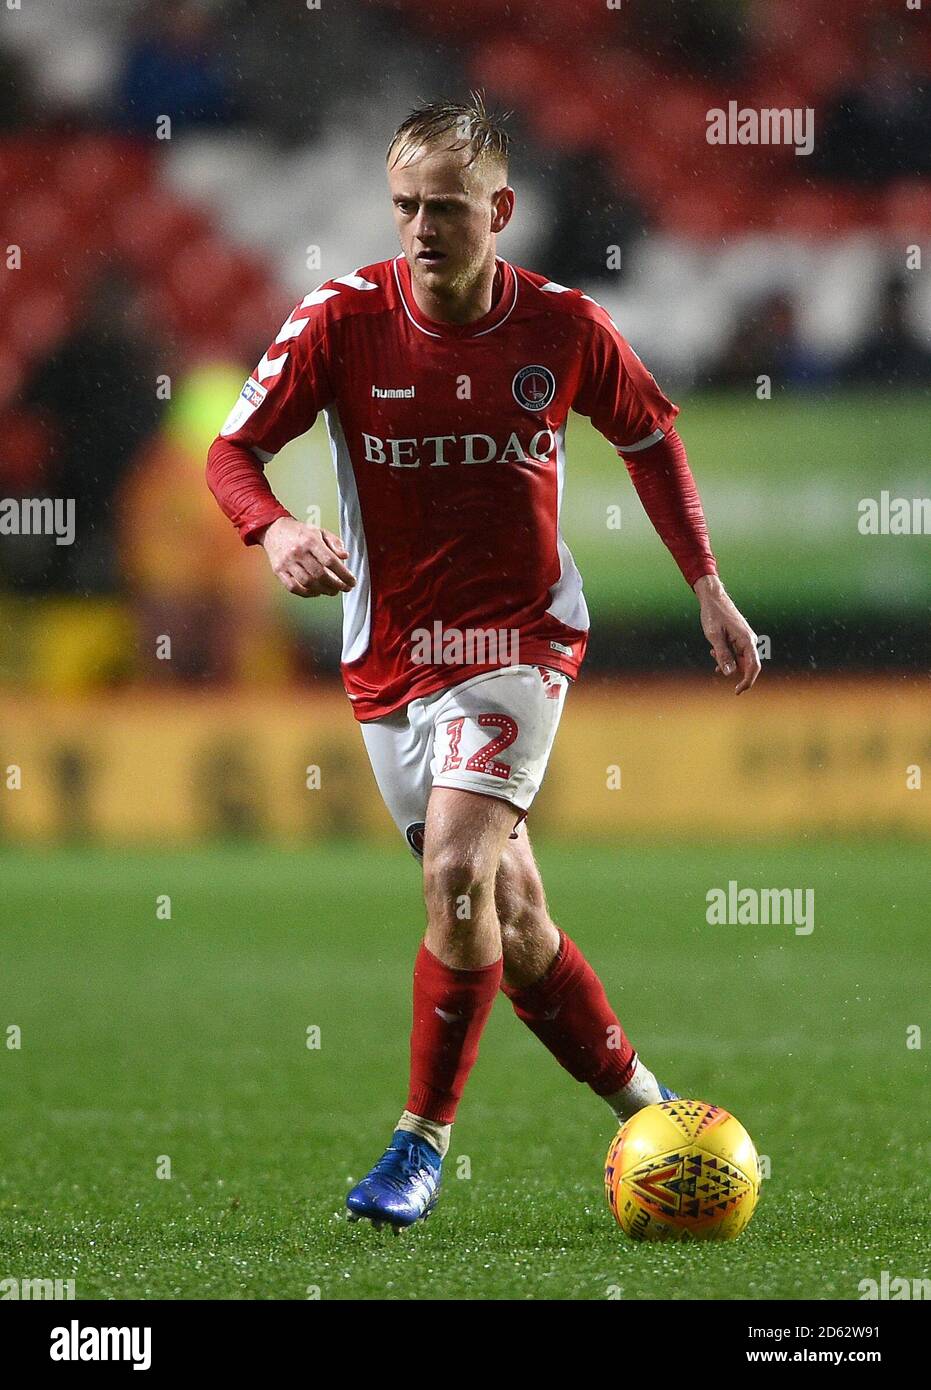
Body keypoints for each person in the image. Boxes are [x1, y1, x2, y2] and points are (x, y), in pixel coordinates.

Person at [206, 93, 760, 1231]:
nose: (419, 228)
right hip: (389, 654)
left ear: (500, 210)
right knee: (511, 919)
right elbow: (233, 448)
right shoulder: (340, 319)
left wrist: (705, 582)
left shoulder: (562, 327)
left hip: (518, 639)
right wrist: (273, 527)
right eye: (404, 205)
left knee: (454, 874)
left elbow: (652, 436)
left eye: (445, 208)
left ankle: (418, 1145)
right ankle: (652, 1111)